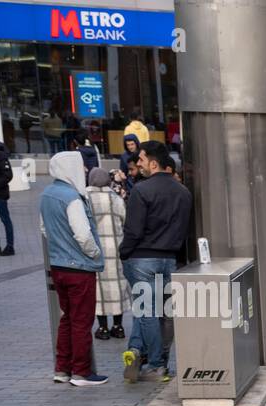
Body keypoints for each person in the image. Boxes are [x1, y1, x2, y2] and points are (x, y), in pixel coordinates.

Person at [120, 141, 193, 384]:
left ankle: (154, 365)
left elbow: (133, 230)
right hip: (168, 260)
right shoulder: (183, 192)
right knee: (162, 313)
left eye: (140, 159)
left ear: (153, 162)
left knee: (146, 312)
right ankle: (146, 355)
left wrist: (124, 252)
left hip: (142, 258)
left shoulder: (142, 190)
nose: (138, 163)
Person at [41, 152, 106, 386]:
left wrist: (60, 247)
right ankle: (81, 371)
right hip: (79, 268)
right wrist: (95, 253)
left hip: (58, 266)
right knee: (82, 320)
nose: (85, 171)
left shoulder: (47, 194)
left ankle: (62, 368)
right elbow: (83, 234)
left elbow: (44, 229)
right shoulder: (72, 198)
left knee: (67, 319)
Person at [86, 167, 129, 340]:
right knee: (117, 287)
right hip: (115, 247)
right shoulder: (115, 198)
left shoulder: (86, 198)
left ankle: (102, 328)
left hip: (95, 250)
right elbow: (125, 219)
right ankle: (118, 326)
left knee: (99, 289)